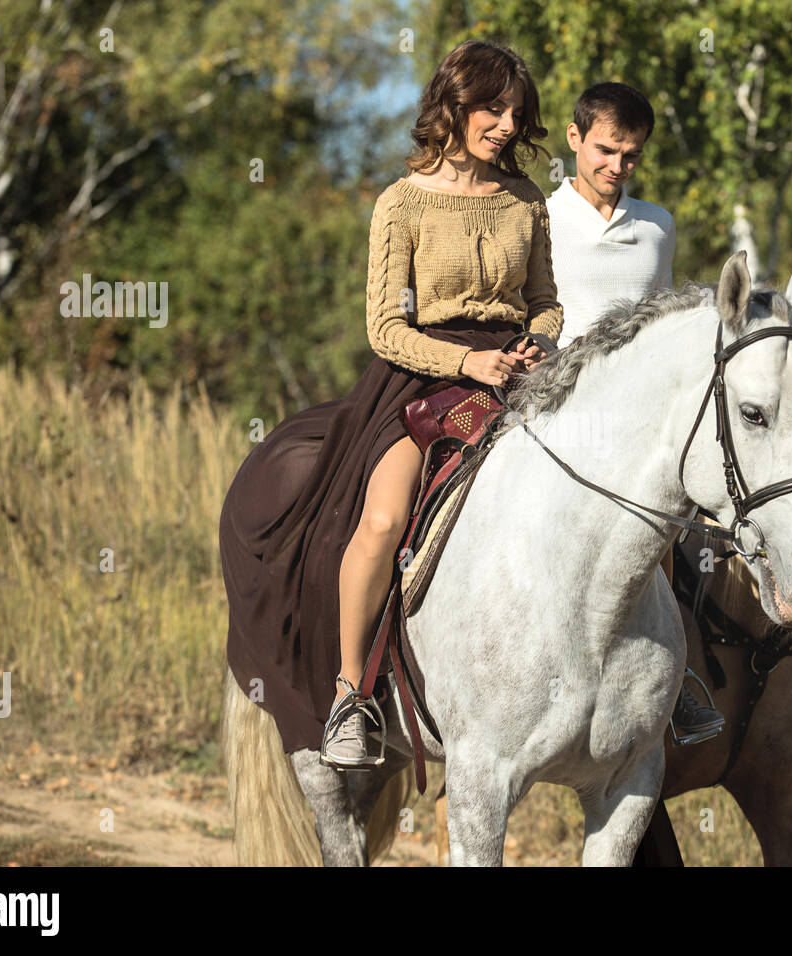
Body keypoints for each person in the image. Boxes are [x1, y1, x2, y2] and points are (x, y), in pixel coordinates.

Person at [219, 40, 562, 770]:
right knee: (380, 519)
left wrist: (533, 342)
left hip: (515, 373)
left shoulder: (527, 201)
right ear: (455, 107)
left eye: (515, 112)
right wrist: (467, 361)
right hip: (423, 381)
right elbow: (384, 328)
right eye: (491, 108)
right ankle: (350, 694)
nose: (505, 124)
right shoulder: (400, 204)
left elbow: (547, 304)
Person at [546, 82, 723, 742]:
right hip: (555, 403)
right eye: (605, 149)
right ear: (574, 139)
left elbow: (664, 323)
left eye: (631, 155)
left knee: (671, 526)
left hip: (638, 416)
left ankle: (677, 680)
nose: (615, 166)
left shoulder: (658, 225)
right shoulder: (539, 217)